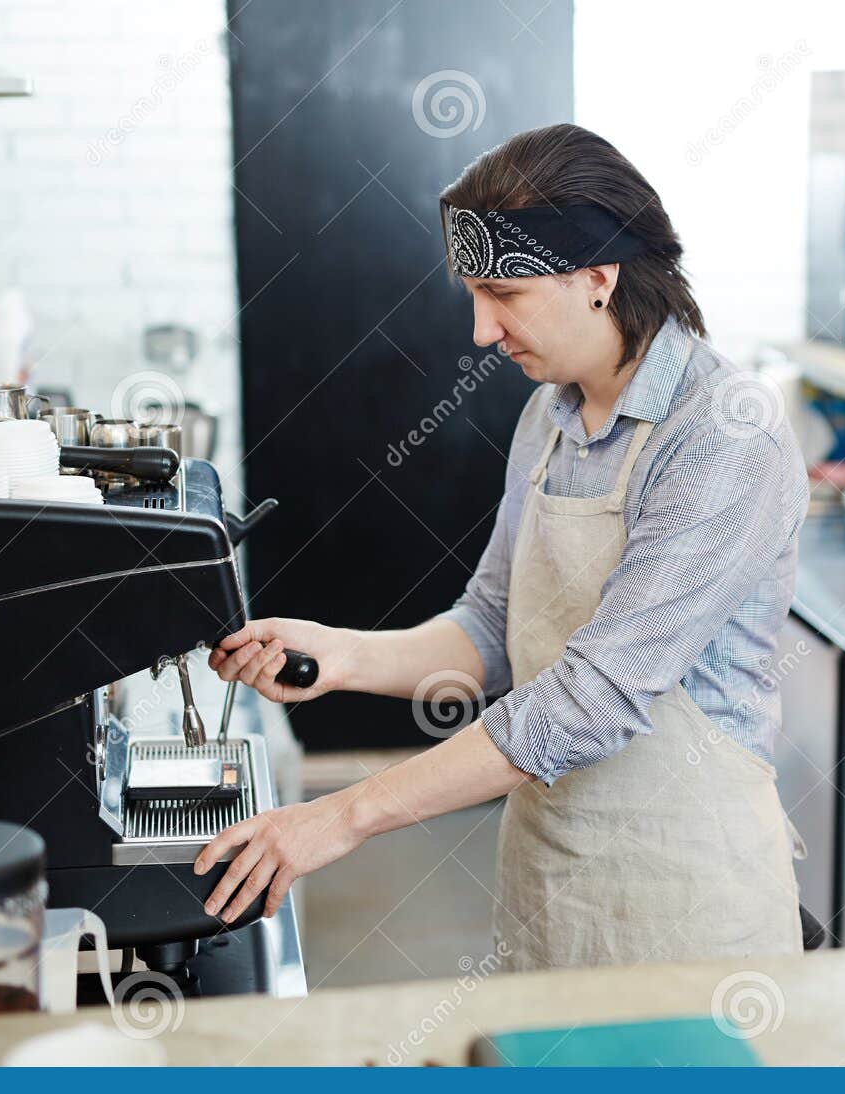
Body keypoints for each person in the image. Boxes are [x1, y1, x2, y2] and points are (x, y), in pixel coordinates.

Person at [197, 123, 809, 971]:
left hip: (688, 903)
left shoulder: (724, 435)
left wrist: (341, 814)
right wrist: (341, 656)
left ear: (598, 279)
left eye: (504, 295)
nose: (482, 331)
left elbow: (591, 699)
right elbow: (491, 626)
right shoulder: (549, 413)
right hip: (554, 879)